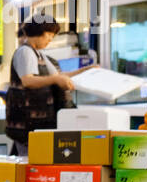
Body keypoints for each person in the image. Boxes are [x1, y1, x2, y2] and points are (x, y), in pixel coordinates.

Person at [5, 16, 86, 161]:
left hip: (38, 123)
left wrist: (86, 70)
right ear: (38, 32)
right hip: (27, 123)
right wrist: (56, 79)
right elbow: (28, 80)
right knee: (29, 163)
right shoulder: (25, 52)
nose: (50, 40)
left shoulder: (40, 54)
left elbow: (59, 76)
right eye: (49, 35)